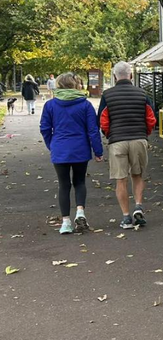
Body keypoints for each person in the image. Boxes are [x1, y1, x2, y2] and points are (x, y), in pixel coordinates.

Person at [40, 73, 104, 234]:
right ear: (75, 85)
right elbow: (93, 130)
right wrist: (98, 151)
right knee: (80, 181)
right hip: (80, 148)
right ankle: (80, 211)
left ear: (58, 85)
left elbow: (45, 128)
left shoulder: (50, 105)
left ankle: (66, 222)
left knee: (64, 185)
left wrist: (52, 145)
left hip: (60, 148)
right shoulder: (85, 105)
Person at [98, 61, 156, 229]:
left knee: (120, 180)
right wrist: (145, 134)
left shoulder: (107, 95)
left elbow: (102, 120)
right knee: (137, 176)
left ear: (115, 76)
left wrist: (109, 134)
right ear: (131, 75)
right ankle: (138, 206)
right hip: (138, 139)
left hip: (117, 141)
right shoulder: (142, 94)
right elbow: (151, 118)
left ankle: (125, 217)